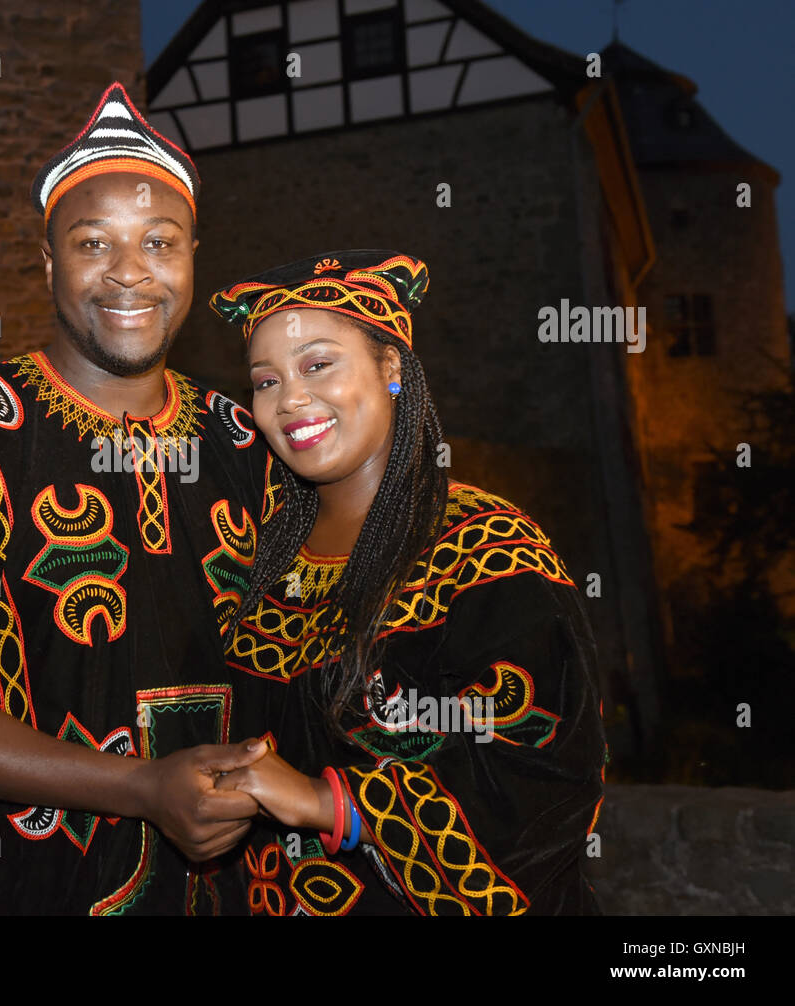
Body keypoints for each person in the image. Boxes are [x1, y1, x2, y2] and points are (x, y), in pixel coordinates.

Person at [0, 82, 278, 915]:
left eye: (159, 241)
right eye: (92, 243)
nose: (129, 272)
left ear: (192, 258)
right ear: (48, 264)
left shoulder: (245, 443)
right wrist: (145, 788)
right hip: (7, 884)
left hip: (222, 893)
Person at [208, 250, 607, 915]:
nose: (291, 399)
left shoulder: (483, 547)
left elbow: (544, 768)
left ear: (390, 368)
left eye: (317, 365)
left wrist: (328, 802)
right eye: (265, 380)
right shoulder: (258, 562)